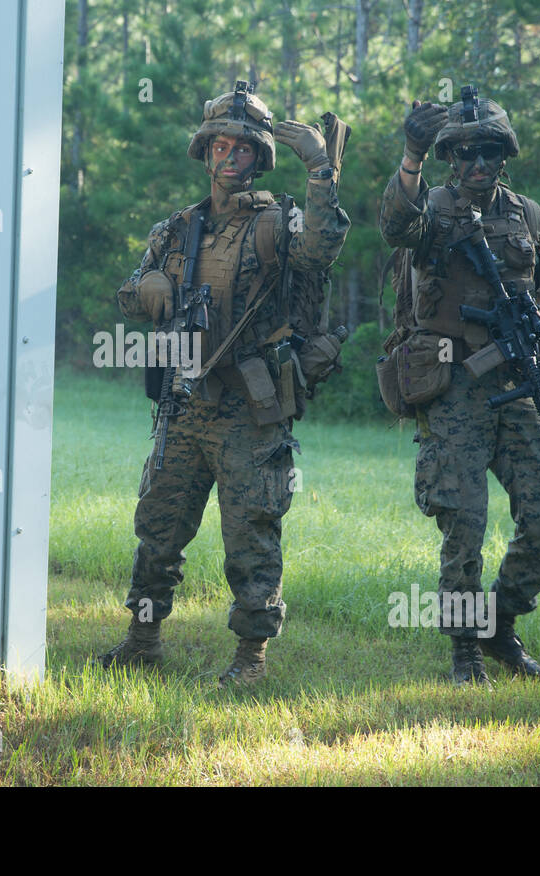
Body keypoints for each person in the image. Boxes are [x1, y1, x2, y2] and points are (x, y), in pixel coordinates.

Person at [99, 83, 350, 686]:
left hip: (250, 408)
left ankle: (250, 659)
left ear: (259, 159)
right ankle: (142, 639)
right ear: (206, 152)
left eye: (243, 150)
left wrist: (320, 169)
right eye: (222, 147)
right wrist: (147, 291)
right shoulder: (176, 230)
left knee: (251, 534)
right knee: (158, 528)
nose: (231, 158)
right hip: (185, 405)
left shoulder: (276, 223)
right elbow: (131, 291)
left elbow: (319, 249)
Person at [377, 89, 540, 686]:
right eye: (463, 154)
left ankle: (499, 623)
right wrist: (410, 154)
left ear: (504, 155)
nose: (477, 164)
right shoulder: (431, 210)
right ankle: (464, 648)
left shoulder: (532, 218)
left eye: (489, 152)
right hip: (454, 384)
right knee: (464, 519)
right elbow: (394, 225)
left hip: (518, 385)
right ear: (449, 159)